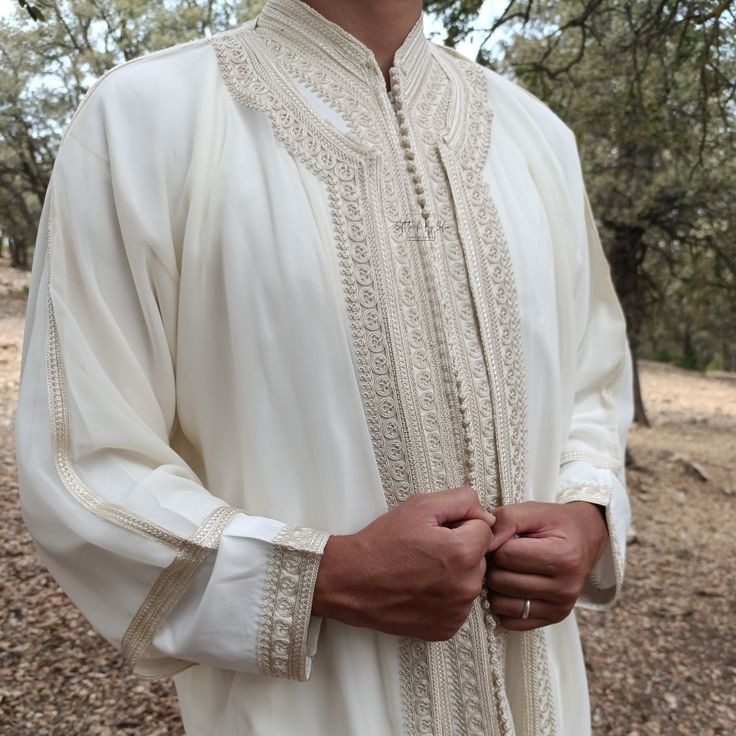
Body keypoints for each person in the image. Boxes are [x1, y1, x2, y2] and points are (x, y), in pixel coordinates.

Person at [16, 0, 633, 734]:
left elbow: (593, 386)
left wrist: (587, 516)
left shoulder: (538, 139)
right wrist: (321, 575)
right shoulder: (145, 120)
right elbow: (84, 461)